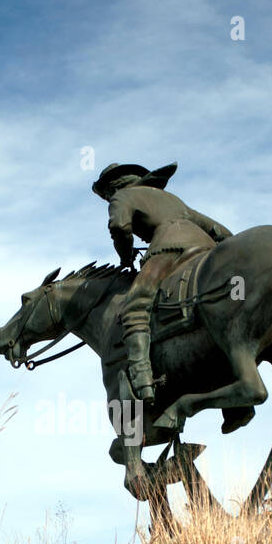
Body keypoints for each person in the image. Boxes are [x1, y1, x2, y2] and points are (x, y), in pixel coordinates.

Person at [92, 162, 232, 401]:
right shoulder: (171, 199)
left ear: (110, 190)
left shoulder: (122, 197)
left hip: (168, 250)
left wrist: (125, 256)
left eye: (106, 196)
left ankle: (143, 379)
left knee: (134, 307)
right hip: (205, 250)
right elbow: (220, 231)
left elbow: (119, 226)